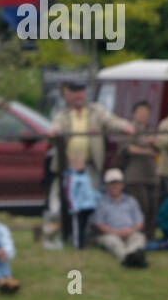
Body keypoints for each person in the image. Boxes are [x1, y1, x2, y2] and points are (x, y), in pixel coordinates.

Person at [46, 80, 133, 240]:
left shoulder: (96, 111)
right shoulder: (62, 114)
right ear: (69, 95)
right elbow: (56, 127)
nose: (78, 96)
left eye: (81, 92)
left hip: (89, 165)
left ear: (85, 94)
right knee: (57, 200)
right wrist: (53, 132)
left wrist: (125, 126)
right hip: (66, 167)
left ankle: (88, 235)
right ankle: (56, 236)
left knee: (90, 200)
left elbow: (112, 121)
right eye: (74, 92)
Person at [118, 101, 159, 241]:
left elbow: (159, 149)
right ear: (134, 113)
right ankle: (138, 237)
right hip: (134, 176)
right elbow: (127, 148)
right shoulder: (129, 129)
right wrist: (146, 150)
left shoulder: (152, 129)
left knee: (153, 206)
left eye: (146, 112)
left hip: (152, 175)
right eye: (141, 112)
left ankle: (150, 237)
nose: (144, 115)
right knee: (141, 207)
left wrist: (154, 143)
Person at [90, 169, 147, 268]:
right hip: (110, 233)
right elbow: (98, 224)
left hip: (130, 232)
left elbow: (140, 221)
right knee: (113, 242)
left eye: (117, 183)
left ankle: (132, 256)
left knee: (139, 238)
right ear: (106, 186)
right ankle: (128, 258)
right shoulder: (101, 202)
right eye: (111, 183)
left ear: (122, 185)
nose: (114, 186)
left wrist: (131, 230)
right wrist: (117, 232)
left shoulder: (131, 200)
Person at [62, 152, 100, 249]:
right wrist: (73, 207)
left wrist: (96, 196)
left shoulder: (86, 176)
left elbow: (89, 190)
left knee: (85, 226)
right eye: (77, 163)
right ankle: (77, 245)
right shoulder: (71, 177)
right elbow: (69, 194)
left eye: (82, 163)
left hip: (88, 206)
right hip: (78, 208)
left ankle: (84, 242)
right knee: (77, 227)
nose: (80, 165)